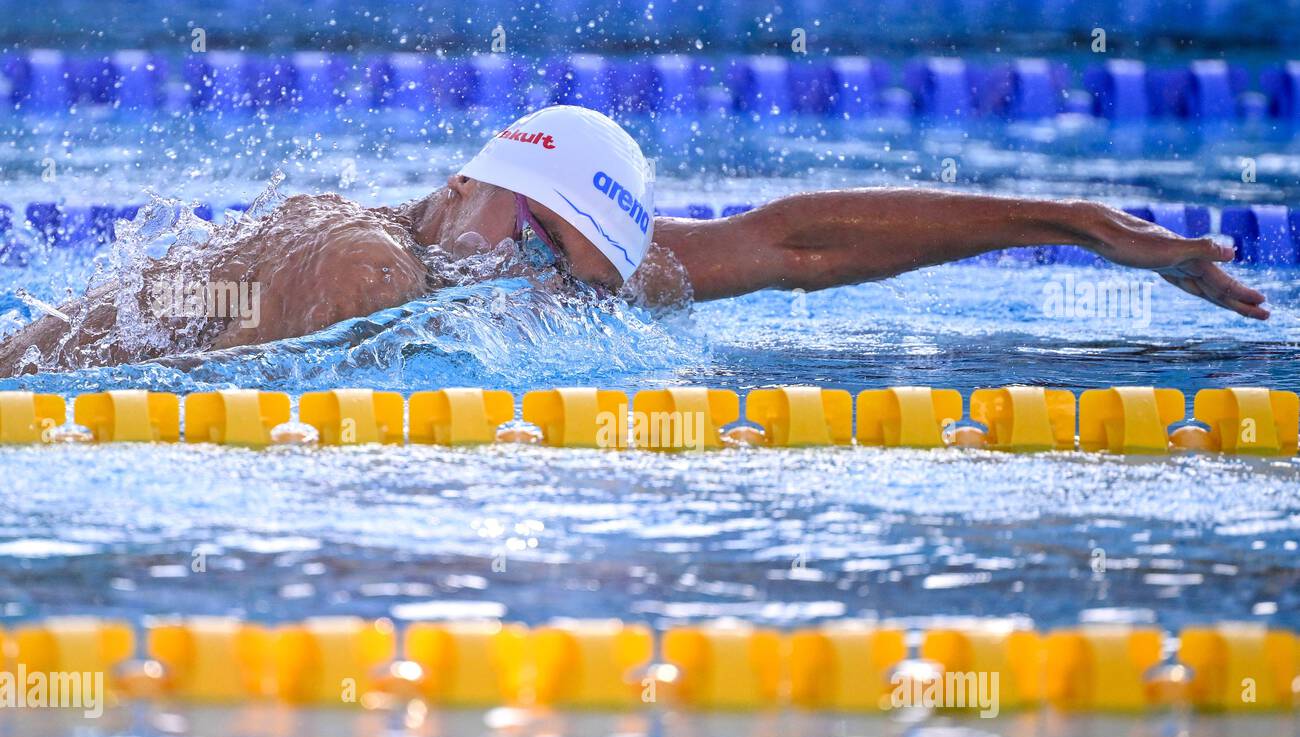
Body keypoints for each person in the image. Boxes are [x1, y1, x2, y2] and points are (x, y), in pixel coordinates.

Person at [0, 104, 1268, 375]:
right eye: (538, 239)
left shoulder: (517, 254)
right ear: (466, 181)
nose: (536, 279)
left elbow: (790, 244)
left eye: (578, 272)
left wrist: (1065, 222)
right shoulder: (363, 271)